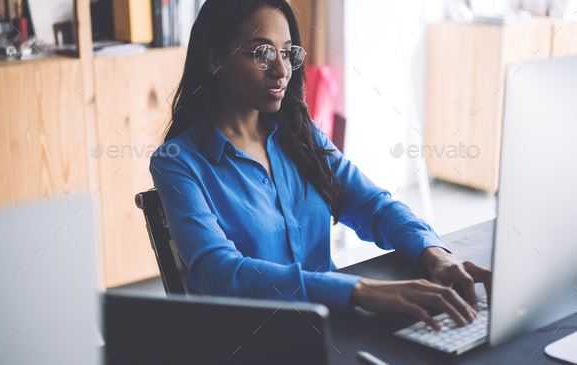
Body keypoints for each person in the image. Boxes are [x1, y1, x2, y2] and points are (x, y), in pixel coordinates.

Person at [149, 0, 492, 332]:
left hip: (334, 325)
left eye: (287, 52)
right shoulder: (177, 162)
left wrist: (434, 255)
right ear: (214, 60)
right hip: (252, 340)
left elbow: (373, 205)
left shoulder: (301, 136)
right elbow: (219, 273)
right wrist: (361, 290)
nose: (282, 70)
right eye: (262, 52)